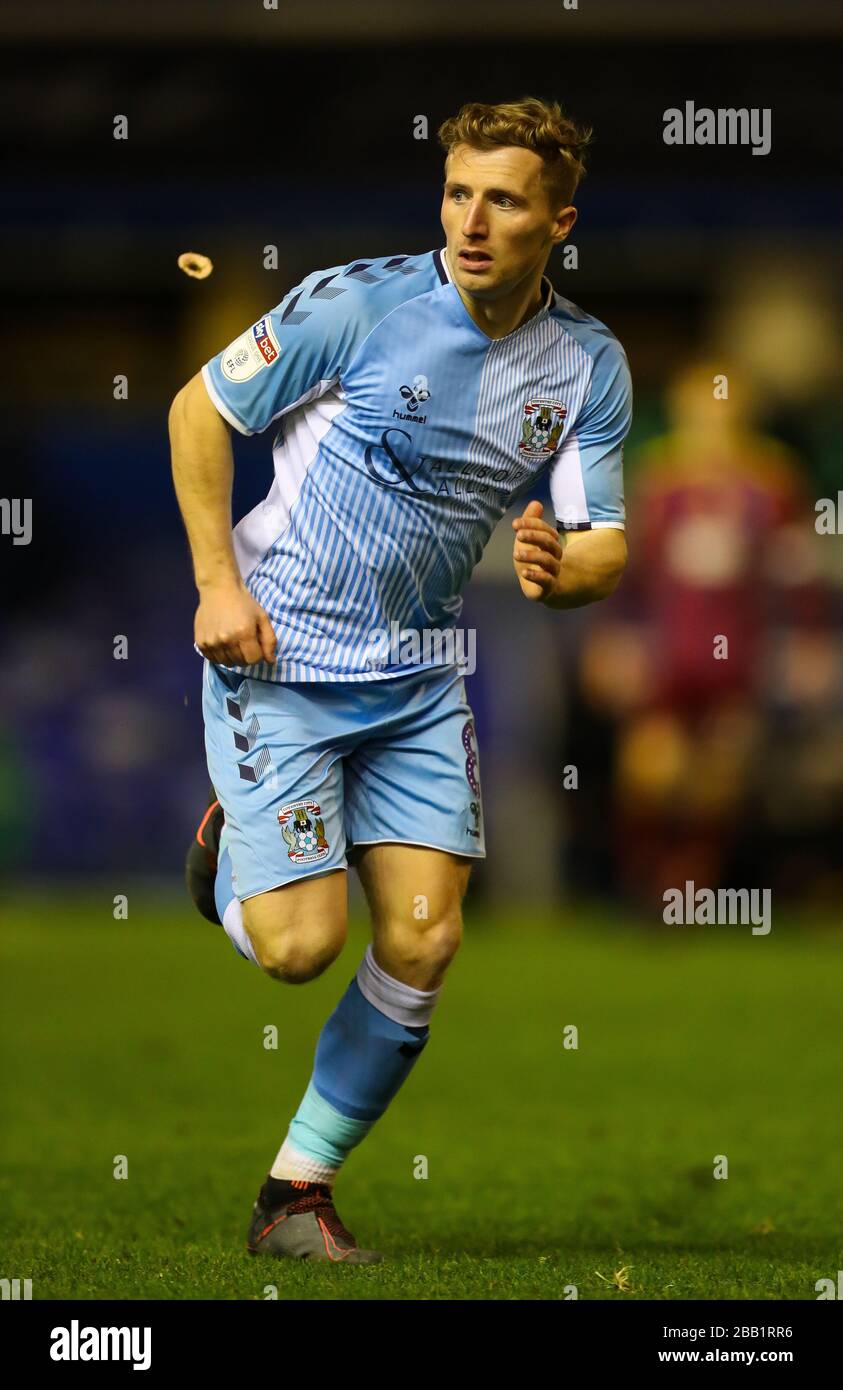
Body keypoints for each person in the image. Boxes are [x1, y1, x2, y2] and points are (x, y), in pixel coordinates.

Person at [168, 95, 631, 1263]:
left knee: (423, 941)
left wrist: (563, 568)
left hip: (420, 679)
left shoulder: (588, 364)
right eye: (458, 192)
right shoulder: (355, 303)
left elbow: (606, 541)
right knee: (297, 948)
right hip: (279, 657)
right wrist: (219, 585)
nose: (472, 221)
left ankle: (292, 1196)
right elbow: (198, 410)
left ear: (559, 221)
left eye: (506, 200)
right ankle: (235, 853)